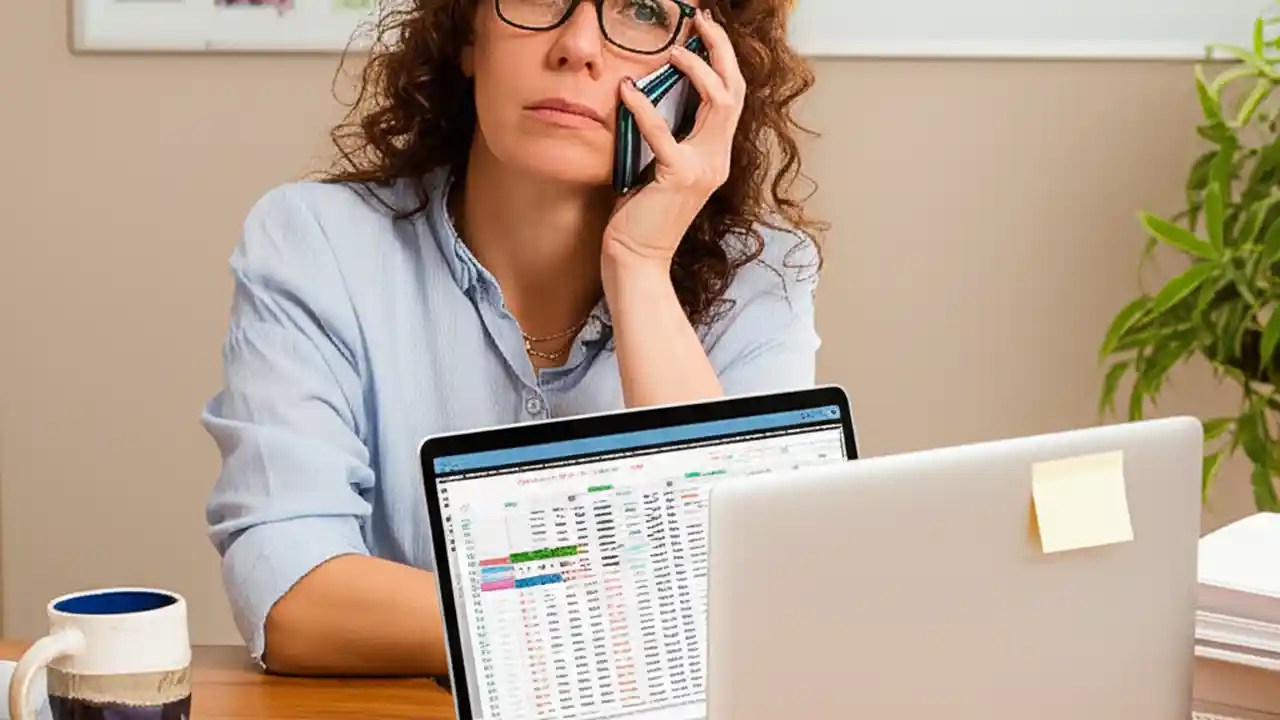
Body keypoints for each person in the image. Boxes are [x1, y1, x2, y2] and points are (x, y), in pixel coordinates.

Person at [201, 0, 824, 677]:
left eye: (642, 9)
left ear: (704, 73)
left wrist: (640, 264)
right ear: (468, 36)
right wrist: (625, 615)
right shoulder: (316, 242)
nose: (578, 45)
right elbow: (294, 598)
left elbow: (755, 602)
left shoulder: (763, 280)